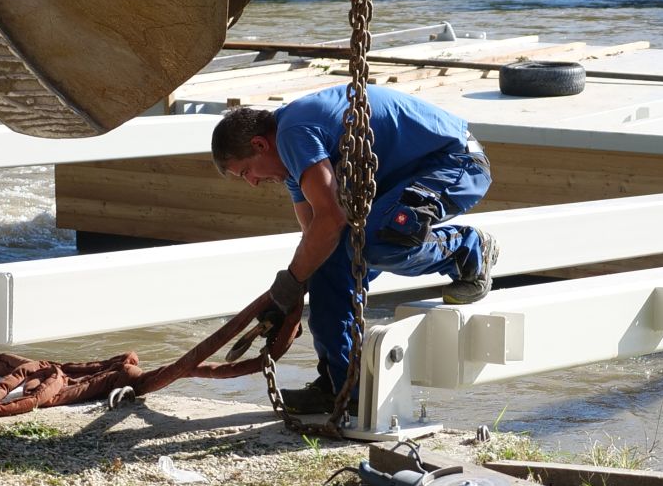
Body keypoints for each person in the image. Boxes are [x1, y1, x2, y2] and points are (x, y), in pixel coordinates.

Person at [211, 84, 497, 414]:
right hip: (405, 178)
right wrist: (288, 297)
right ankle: (341, 386)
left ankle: (468, 249)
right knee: (329, 267)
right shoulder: (294, 160)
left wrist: (287, 284)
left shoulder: (293, 133)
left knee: (379, 240)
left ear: (259, 144)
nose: (253, 182)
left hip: (456, 162)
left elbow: (331, 218)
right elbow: (316, 238)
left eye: (246, 171)